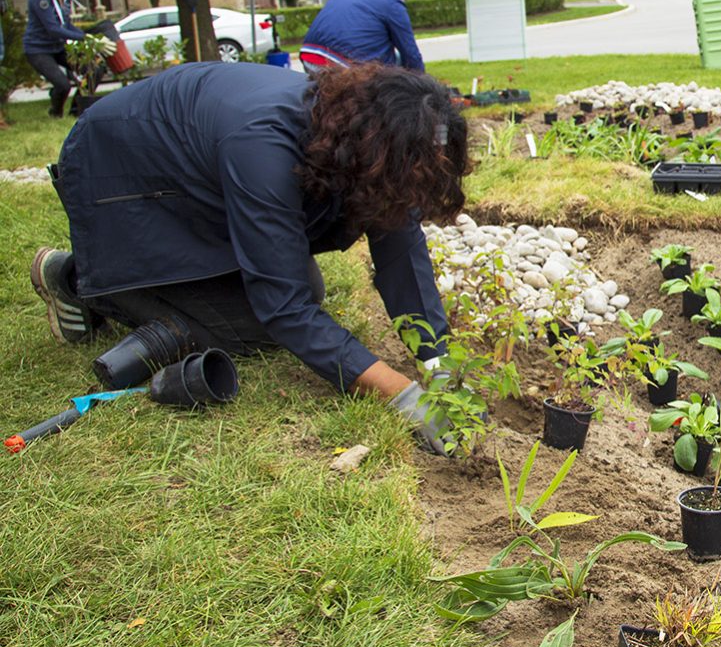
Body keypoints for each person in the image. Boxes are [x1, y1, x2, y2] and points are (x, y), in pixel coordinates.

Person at [30, 61, 464, 451]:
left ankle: (117, 282)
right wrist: (402, 395)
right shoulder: (264, 146)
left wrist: (438, 361)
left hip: (192, 179)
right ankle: (77, 281)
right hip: (119, 175)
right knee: (258, 323)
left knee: (306, 289)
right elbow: (283, 307)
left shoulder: (358, 135)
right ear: (372, 153)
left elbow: (400, 245)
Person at [23, 0, 113, 117]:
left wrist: (89, 38)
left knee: (95, 69)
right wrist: (87, 38)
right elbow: (53, 28)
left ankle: (76, 110)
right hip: (39, 49)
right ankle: (55, 114)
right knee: (62, 85)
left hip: (58, 46)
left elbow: (66, 24)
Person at [300, 0, 425, 73]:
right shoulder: (391, 1)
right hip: (344, 65)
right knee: (394, 63)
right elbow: (409, 52)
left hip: (309, 56)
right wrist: (425, 88)